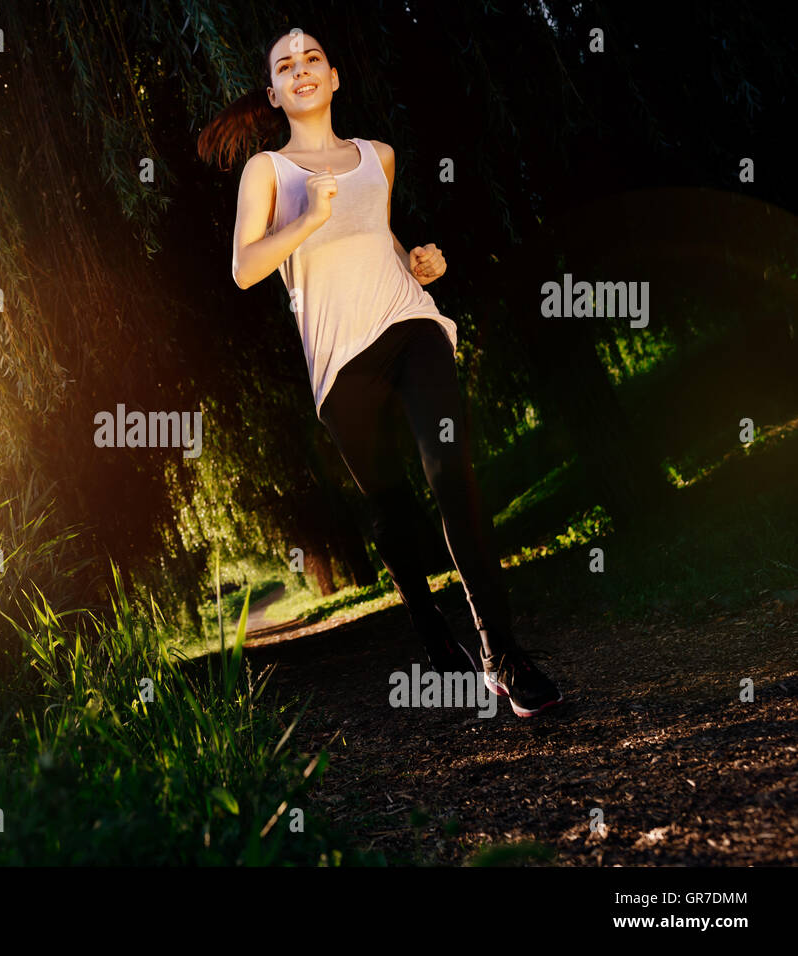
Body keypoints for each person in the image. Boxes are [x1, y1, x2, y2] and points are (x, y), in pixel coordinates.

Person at [198, 27, 563, 716]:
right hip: (340, 360)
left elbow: (382, 242)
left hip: (409, 323)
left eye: (312, 60)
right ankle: (432, 635)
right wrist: (306, 217)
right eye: (285, 65)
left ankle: (503, 654)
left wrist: (420, 265)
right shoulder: (268, 172)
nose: (301, 70)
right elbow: (247, 270)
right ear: (274, 94)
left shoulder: (377, 157)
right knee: (393, 509)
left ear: (334, 77)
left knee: (451, 470)